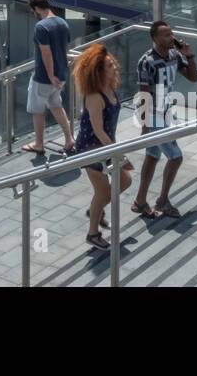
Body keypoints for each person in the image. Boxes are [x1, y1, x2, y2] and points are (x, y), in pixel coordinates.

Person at [132, 20, 197, 220]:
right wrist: (145, 125)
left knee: (152, 156)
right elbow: (143, 94)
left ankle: (140, 202)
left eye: (171, 34)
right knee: (175, 157)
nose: (171, 38)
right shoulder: (147, 61)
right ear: (155, 38)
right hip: (153, 115)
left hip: (166, 113)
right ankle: (162, 201)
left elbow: (193, 77)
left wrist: (189, 55)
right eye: (166, 35)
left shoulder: (174, 56)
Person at [72, 43, 133, 249]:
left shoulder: (109, 88)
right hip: (92, 148)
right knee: (104, 190)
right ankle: (92, 233)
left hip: (105, 146)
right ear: (98, 71)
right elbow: (98, 130)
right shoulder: (94, 96)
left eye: (112, 63)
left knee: (123, 181)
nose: (114, 66)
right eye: (108, 65)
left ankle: (95, 211)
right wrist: (120, 154)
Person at [21, 0, 76, 156]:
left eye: (34, 11)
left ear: (36, 9)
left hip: (44, 76)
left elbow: (46, 53)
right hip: (61, 74)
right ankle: (69, 139)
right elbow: (65, 49)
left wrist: (50, 75)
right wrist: (58, 73)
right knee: (56, 105)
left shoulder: (41, 27)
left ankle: (39, 144)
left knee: (37, 110)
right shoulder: (63, 23)